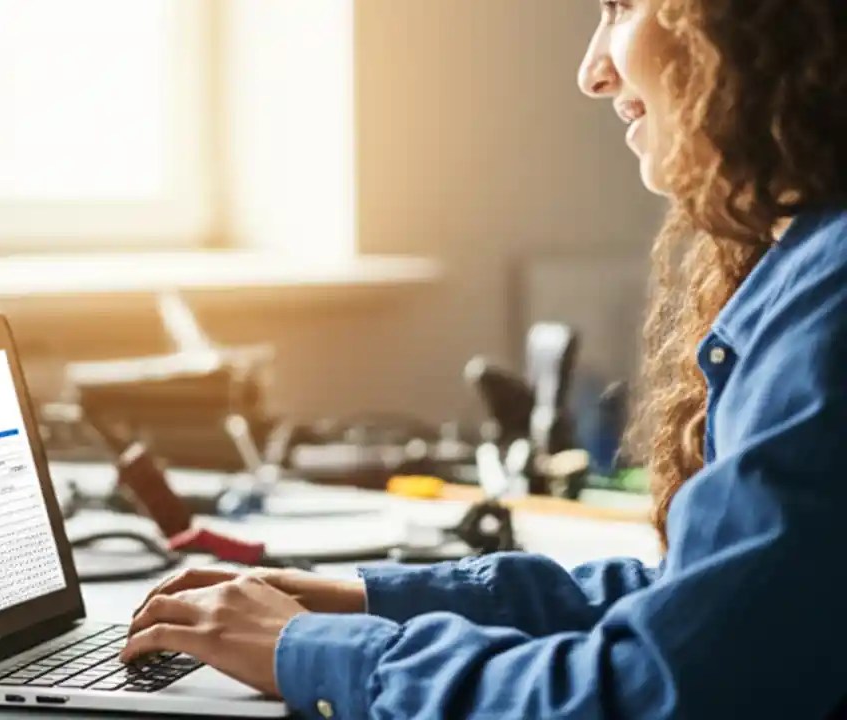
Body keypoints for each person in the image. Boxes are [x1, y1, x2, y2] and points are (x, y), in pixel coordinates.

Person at [119, 0, 847, 716]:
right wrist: (369, 601)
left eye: (621, 7)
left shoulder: (830, 301)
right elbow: (711, 608)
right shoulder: (808, 262)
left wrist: (317, 652)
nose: (591, 72)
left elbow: (654, 689)